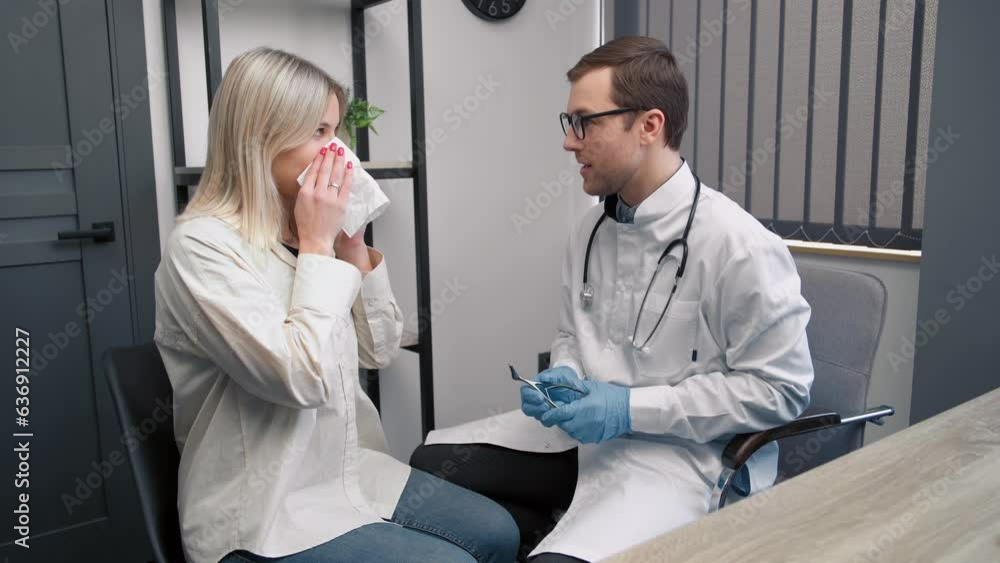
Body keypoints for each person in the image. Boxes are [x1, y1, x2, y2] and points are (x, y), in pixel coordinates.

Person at [411, 36, 815, 562]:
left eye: (586, 122)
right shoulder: (591, 230)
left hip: (678, 457)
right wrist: (565, 372)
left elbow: (780, 391)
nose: (569, 142)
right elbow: (571, 332)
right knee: (428, 465)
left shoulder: (738, 245)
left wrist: (629, 408)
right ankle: (543, 536)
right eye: (569, 123)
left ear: (649, 125)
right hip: (582, 440)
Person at [154, 47, 518, 563]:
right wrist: (320, 246)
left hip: (346, 470)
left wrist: (350, 244)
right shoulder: (202, 248)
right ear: (260, 137)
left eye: (337, 131)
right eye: (320, 133)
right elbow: (301, 380)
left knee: (498, 533)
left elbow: (381, 349)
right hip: (264, 507)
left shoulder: (308, 230)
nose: (340, 152)